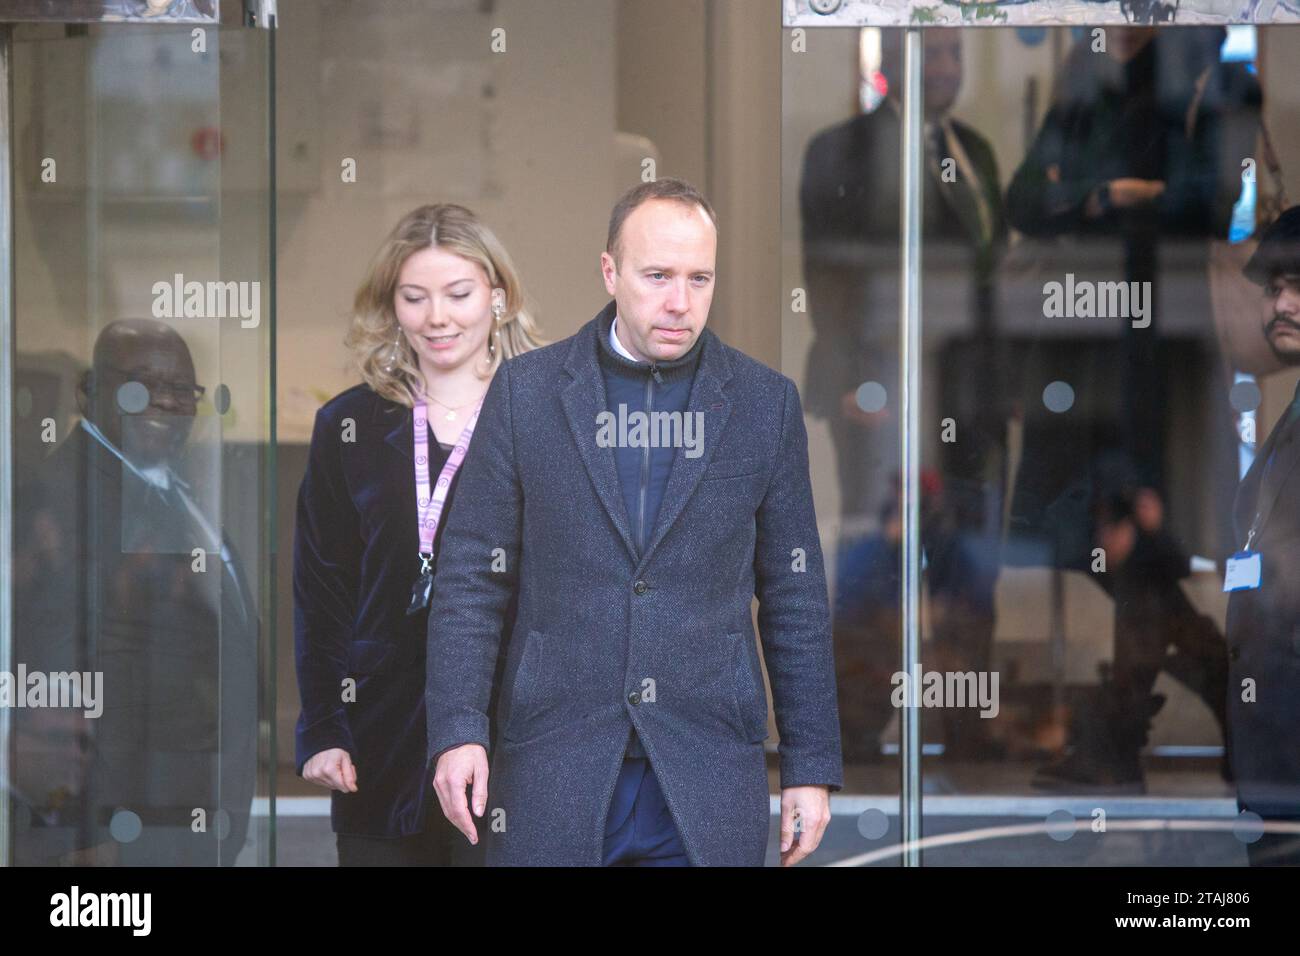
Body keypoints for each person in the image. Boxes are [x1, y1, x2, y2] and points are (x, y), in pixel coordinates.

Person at [426, 178, 843, 866]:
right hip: (556, 759)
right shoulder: (526, 394)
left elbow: (793, 594)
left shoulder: (764, 404)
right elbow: (472, 576)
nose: (680, 301)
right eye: (657, 276)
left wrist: (809, 763)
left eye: (699, 278)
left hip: (707, 764)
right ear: (610, 272)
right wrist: (458, 729)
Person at [293, 204, 544, 866]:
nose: (437, 317)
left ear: (498, 296)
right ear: (391, 306)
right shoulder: (347, 426)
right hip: (378, 743)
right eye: (414, 297)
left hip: (515, 742)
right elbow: (322, 591)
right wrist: (323, 726)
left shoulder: (545, 418)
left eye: (458, 294)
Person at [799, 29, 1008, 762]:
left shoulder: (974, 151)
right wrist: (856, 381)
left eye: (955, 53)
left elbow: (993, 275)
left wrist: (1002, 382)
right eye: (931, 50)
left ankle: (963, 720)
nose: (945, 66)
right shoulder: (839, 149)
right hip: (878, 382)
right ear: (888, 57)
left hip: (967, 389)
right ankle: (855, 725)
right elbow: (830, 275)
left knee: (969, 550)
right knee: (875, 546)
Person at [12, 319, 257, 865]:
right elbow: (54, 666)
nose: (166, 402)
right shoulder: (63, 494)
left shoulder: (171, 484)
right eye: (142, 385)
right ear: (89, 393)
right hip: (121, 819)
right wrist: (80, 827)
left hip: (186, 799)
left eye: (182, 389)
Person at [1226, 205, 1300, 865]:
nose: (1282, 304)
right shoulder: (1292, 413)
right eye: (1276, 287)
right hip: (1272, 751)